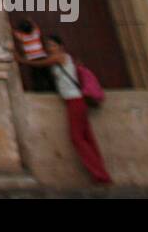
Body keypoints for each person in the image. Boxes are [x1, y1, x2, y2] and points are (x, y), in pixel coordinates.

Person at [23, 34, 112, 185]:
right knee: (87, 138)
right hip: (76, 101)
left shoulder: (60, 57)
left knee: (77, 138)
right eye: (48, 46)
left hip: (75, 101)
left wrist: (20, 59)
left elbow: (39, 63)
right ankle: (101, 173)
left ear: (60, 46)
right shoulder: (64, 59)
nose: (50, 48)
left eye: (52, 45)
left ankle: (100, 175)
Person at [11, 16, 54, 92]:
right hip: (42, 56)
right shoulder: (35, 34)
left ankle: (39, 90)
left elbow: (14, 32)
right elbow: (35, 27)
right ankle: (52, 88)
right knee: (47, 75)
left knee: (36, 76)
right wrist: (31, 21)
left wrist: (12, 27)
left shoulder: (22, 37)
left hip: (32, 59)